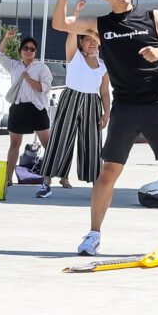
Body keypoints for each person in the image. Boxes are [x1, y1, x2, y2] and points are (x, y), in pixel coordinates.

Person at [49, 0, 158, 257]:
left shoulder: (153, 16)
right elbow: (59, 23)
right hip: (126, 105)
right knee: (108, 172)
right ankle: (93, 235)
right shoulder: (100, 25)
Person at [41, 23, 107, 196]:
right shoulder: (74, 56)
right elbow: (71, 34)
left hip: (93, 102)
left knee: (92, 142)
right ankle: (47, 180)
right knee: (60, 137)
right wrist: (76, 17)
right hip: (71, 97)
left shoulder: (103, 66)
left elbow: (105, 92)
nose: (92, 43)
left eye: (95, 40)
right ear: (81, 42)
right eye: (88, 40)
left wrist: (107, 112)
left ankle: (96, 185)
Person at [1, 29, 52, 181]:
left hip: (37, 108)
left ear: (35, 52)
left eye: (32, 49)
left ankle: (52, 177)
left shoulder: (41, 67)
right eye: (25, 48)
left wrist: (29, 79)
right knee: (14, 143)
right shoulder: (14, 66)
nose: (28, 51)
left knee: (48, 145)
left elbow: (44, 88)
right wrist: (6, 38)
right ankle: (8, 178)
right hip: (18, 107)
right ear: (20, 51)